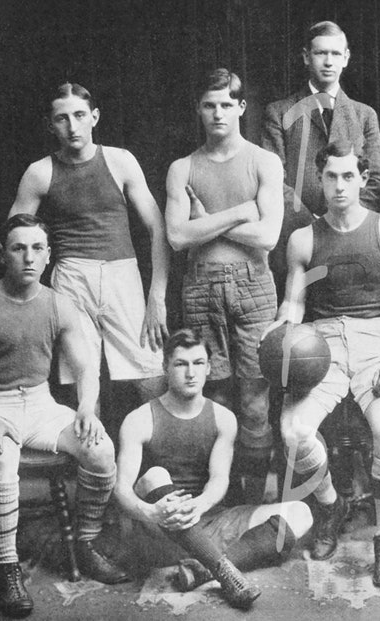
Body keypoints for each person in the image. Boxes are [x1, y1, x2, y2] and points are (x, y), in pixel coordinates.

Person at [0, 215, 128, 619]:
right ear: (2, 254)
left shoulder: (60, 304)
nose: (28, 257)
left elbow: (86, 369)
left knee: (100, 450)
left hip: (41, 404)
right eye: (18, 248)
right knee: (1, 458)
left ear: (48, 256)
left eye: (36, 249)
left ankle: (85, 542)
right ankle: (7, 567)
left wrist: (85, 407)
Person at [270, 140, 380, 588]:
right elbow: (293, 305)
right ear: (320, 178)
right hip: (322, 344)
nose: (339, 185)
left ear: (363, 179)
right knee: (294, 432)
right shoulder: (304, 238)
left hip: (376, 343)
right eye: (330, 176)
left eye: (348, 176)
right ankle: (331, 504)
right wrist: (278, 337)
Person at [114, 329, 312, 610]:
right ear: (165, 368)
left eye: (198, 363)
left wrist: (200, 504)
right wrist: (151, 512)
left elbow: (218, 481)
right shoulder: (139, 420)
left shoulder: (223, 419)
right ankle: (223, 571)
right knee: (155, 475)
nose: (190, 373)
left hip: (207, 519)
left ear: (208, 367)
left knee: (301, 513)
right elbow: (121, 489)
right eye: (181, 364)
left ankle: (203, 568)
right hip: (161, 527)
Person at [164, 68, 284, 504]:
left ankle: (253, 499)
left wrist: (205, 221)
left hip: (253, 287)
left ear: (241, 107)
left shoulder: (264, 161)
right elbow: (177, 237)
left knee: (254, 397)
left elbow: (269, 237)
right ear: (199, 109)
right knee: (210, 394)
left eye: (226, 104)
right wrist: (239, 213)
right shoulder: (182, 167)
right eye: (209, 105)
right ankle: (221, 495)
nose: (218, 113)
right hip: (201, 288)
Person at [9, 82, 170, 405]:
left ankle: (159, 455)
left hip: (122, 274)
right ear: (50, 125)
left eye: (80, 115)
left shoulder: (120, 161)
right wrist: (31, 297)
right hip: (71, 277)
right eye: (62, 118)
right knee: (83, 382)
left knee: (149, 375)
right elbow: (13, 236)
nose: (72, 126)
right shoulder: (39, 173)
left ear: (94, 117)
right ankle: (89, 457)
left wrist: (157, 296)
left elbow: (158, 228)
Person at [261, 20, 380, 301]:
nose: (328, 61)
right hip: (298, 240)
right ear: (306, 57)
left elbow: (375, 179)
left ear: (346, 58)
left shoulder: (364, 115)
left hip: (352, 240)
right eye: (320, 53)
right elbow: (273, 181)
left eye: (335, 54)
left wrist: (344, 222)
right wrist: (313, 226)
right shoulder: (279, 113)